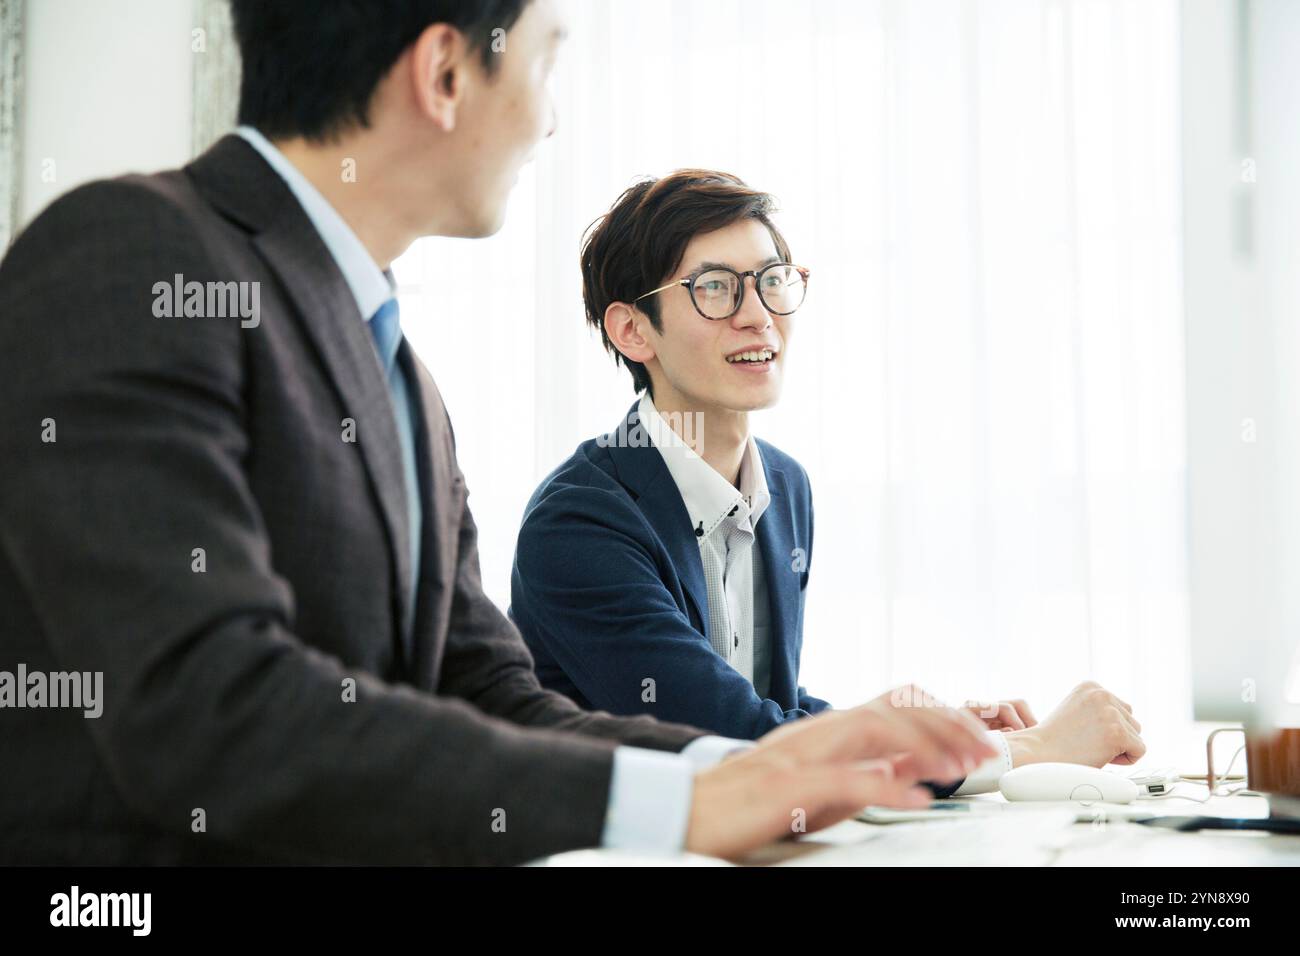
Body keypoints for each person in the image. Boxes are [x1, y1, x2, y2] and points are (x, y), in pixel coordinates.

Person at [0, 0, 997, 865]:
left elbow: (488, 693)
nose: (549, 117)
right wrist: (692, 802)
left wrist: (760, 766)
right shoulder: (135, 252)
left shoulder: (401, 374)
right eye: (545, 58)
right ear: (444, 72)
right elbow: (206, 706)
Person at [509, 169, 1147, 792]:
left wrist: (942, 733)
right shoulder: (579, 522)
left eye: (772, 281)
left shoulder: (785, 486)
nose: (758, 315)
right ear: (633, 330)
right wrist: (1015, 751)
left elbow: (775, 710)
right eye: (714, 288)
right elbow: (732, 742)